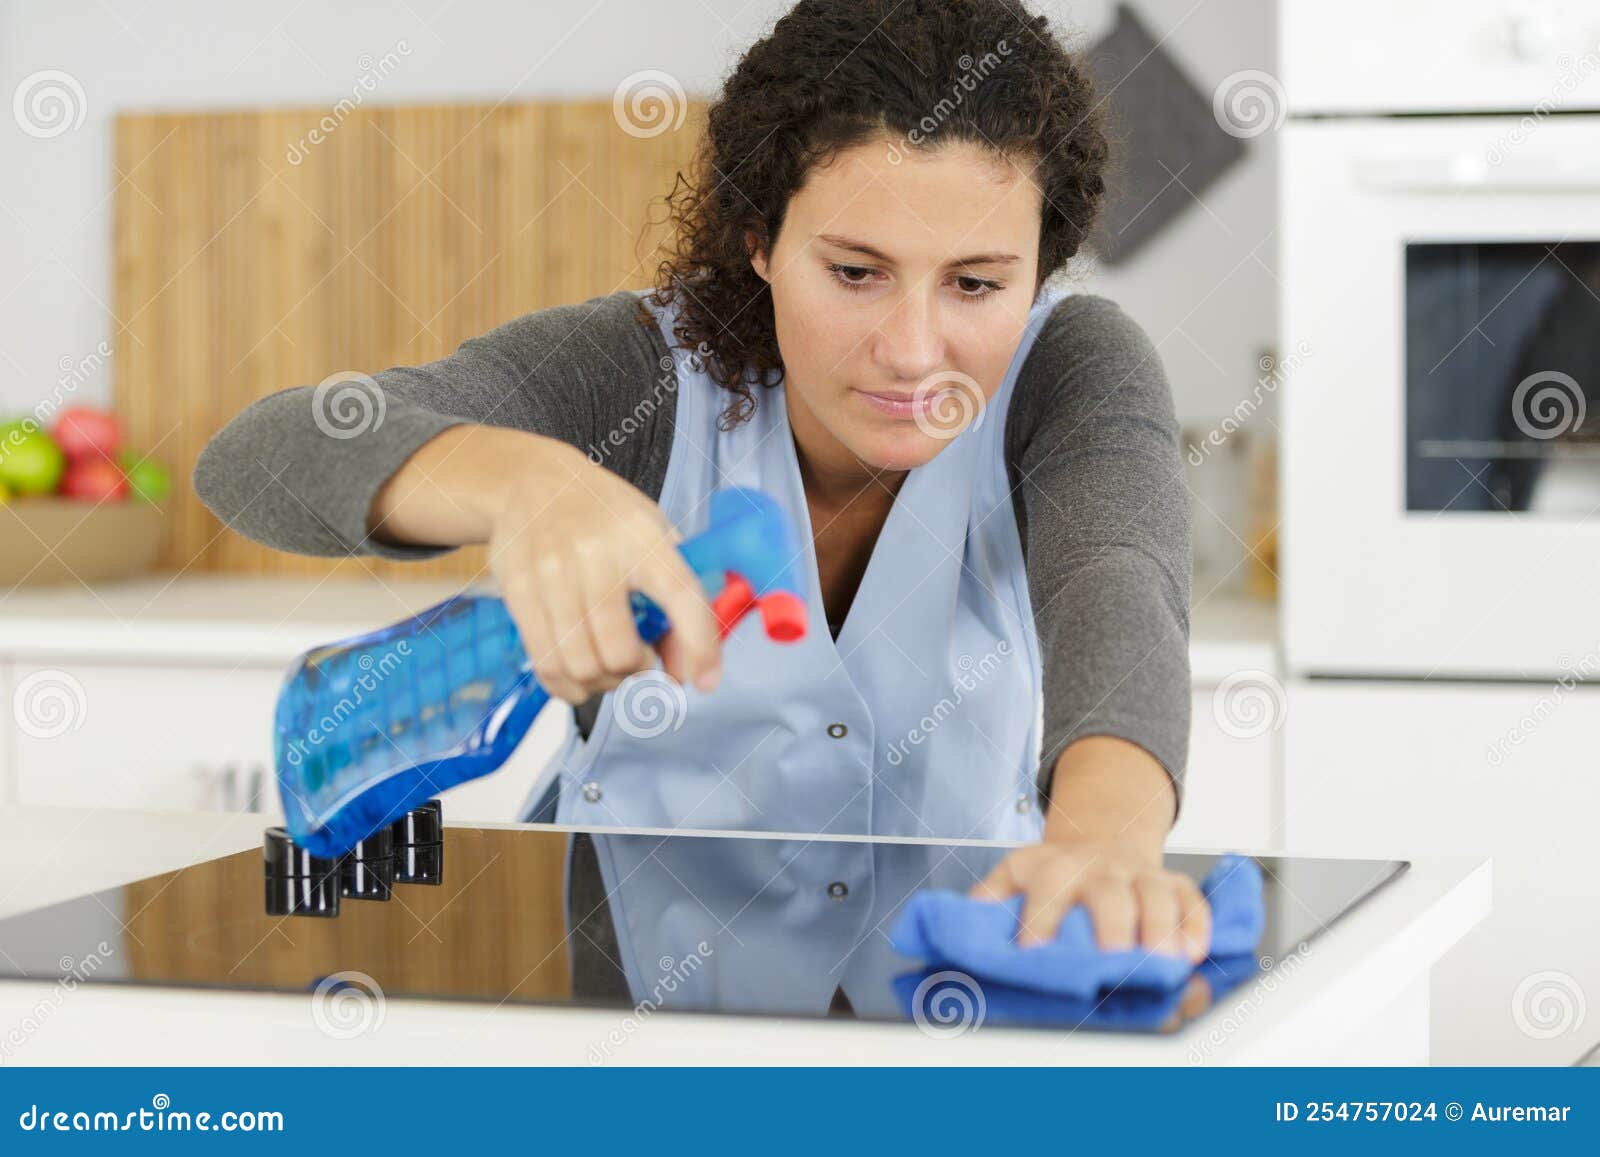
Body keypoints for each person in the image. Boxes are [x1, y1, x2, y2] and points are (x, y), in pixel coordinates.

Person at [196, 0, 1207, 1011]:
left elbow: (1116, 575)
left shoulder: (1068, 372)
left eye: (977, 284)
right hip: (626, 990)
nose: (911, 348)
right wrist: (526, 482)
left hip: (948, 994)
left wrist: (1101, 844)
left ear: (1038, 270)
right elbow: (261, 456)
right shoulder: (638, 372)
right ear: (759, 240)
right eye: (855, 273)